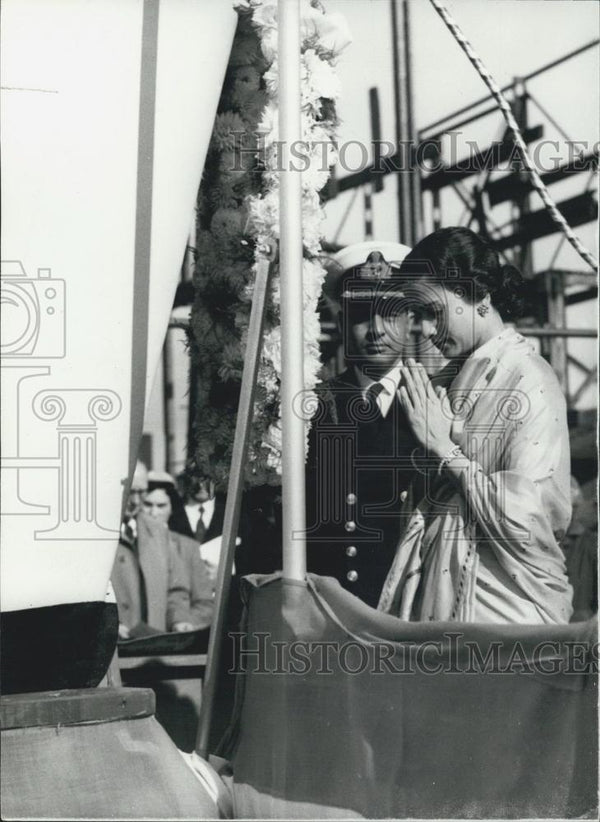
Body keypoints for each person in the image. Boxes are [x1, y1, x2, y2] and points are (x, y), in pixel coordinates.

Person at [378, 226, 573, 624]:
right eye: (419, 317)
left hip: (502, 612)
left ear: (479, 295)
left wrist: (446, 450)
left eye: (435, 312)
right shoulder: (446, 381)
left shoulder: (529, 377)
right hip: (438, 600)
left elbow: (531, 520)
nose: (427, 331)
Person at [305, 241, 421, 608]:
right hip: (337, 610)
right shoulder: (313, 406)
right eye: (361, 316)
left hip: (411, 609)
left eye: (389, 315)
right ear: (340, 323)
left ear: (411, 319)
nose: (375, 331)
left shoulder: (434, 401)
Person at [111, 461, 189, 637]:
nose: (136, 501)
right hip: (112, 651)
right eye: (130, 493)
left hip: (153, 645)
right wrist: (107, 627)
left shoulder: (159, 531)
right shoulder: (94, 535)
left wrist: (178, 620)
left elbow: (176, 590)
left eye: (142, 492)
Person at [144, 472, 214, 631]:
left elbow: (204, 603)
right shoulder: (128, 544)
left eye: (161, 506)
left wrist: (183, 622)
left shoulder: (188, 547)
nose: (154, 513)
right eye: (147, 505)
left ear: (171, 508)